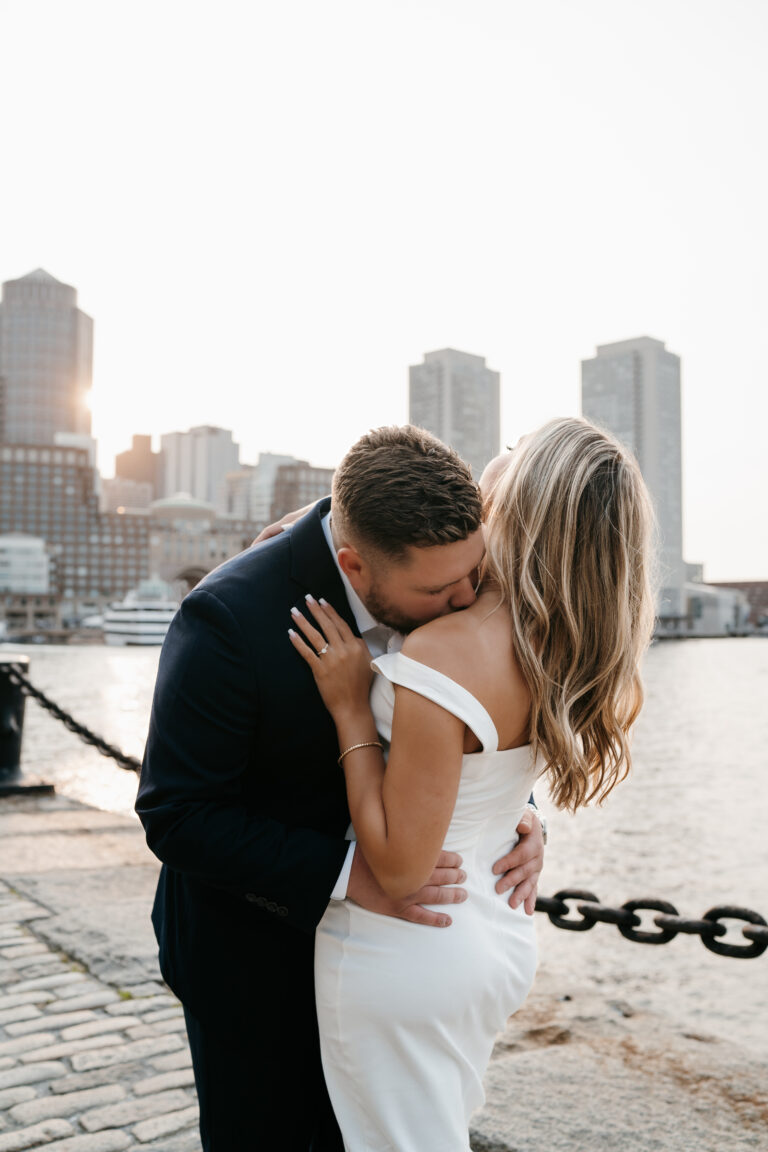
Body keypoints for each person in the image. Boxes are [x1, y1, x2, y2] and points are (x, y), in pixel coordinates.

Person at [135, 424, 546, 1152]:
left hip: (396, 968)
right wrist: (353, 873)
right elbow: (178, 814)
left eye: (474, 573)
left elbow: (467, 719)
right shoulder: (229, 617)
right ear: (354, 566)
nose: (465, 600)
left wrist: (518, 813)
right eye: (437, 590)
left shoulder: (449, 575)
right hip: (260, 961)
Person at [288, 416, 656, 1151]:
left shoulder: (444, 651)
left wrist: (351, 708)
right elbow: (488, 778)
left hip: (407, 949)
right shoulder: (557, 641)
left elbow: (400, 868)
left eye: (514, 451)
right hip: (496, 931)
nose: (497, 453)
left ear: (520, 498)